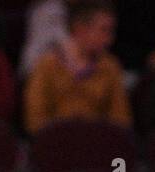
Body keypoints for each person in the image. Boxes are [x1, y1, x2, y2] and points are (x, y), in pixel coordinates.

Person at [23, 0, 131, 134]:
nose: (110, 39)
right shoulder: (46, 66)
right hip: (55, 145)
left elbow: (121, 120)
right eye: (104, 30)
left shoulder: (110, 67)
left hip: (98, 145)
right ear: (80, 29)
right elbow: (35, 120)